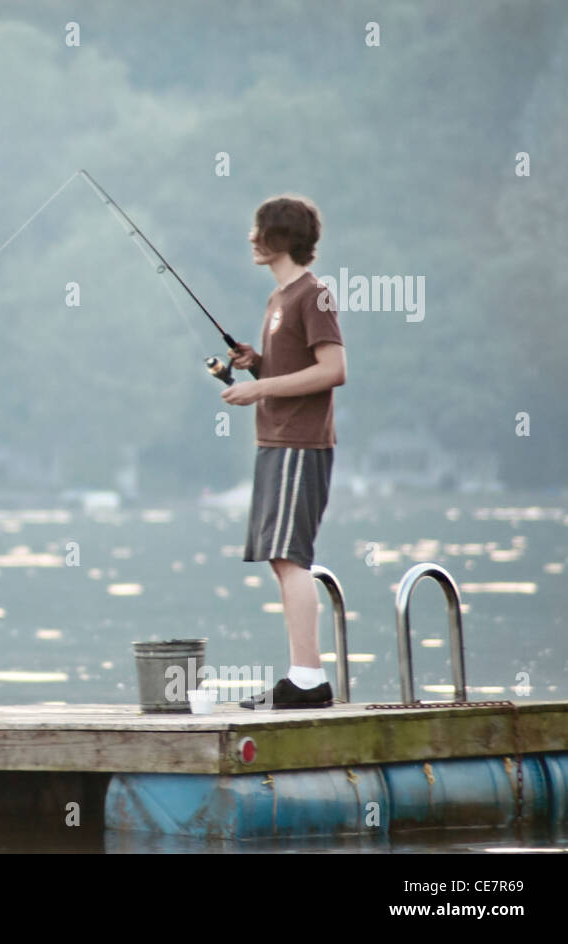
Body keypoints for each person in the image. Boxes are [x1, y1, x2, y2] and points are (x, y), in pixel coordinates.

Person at [219, 195, 347, 709]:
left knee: (291, 557)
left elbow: (333, 369)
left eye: (259, 229)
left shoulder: (312, 297)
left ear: (282, 238)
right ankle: (301, 676)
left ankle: (308, 681)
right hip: (275, 441)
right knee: (280, 558)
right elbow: (289, 369)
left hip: (300, 443)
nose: (251, 237)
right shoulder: (278, 299)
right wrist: (257, 365)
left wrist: (259, 389)